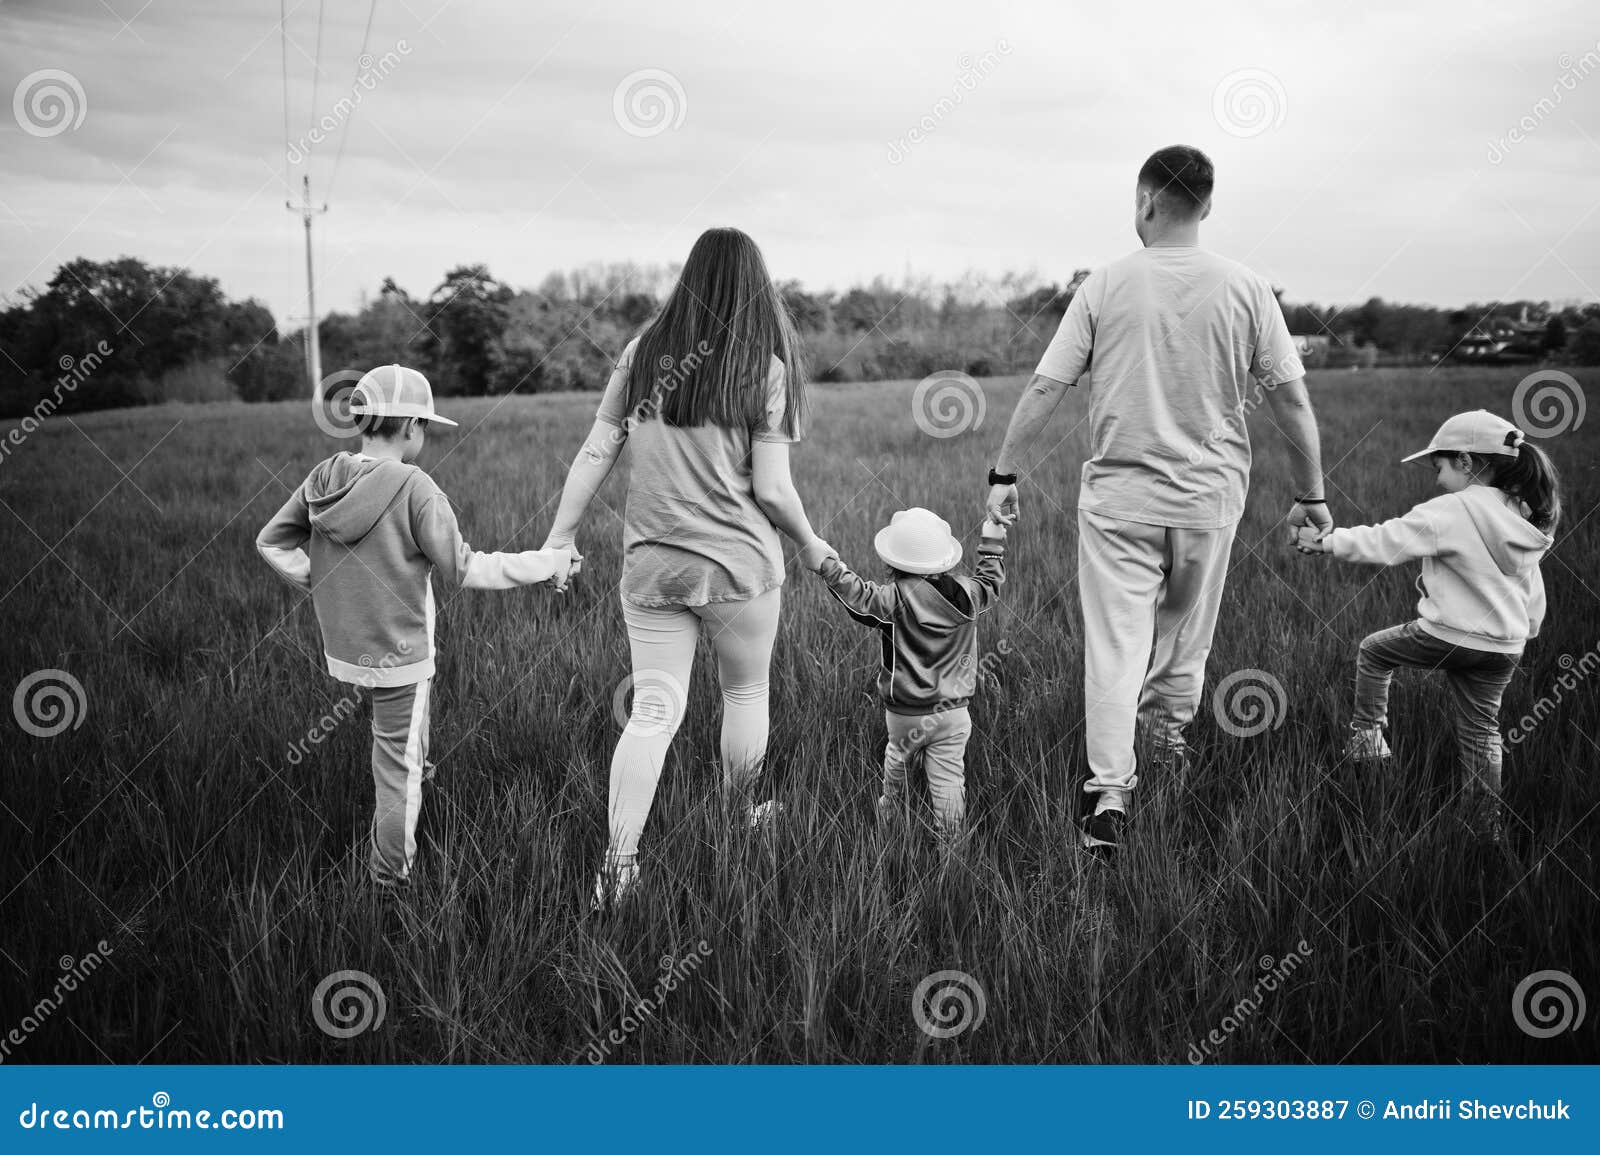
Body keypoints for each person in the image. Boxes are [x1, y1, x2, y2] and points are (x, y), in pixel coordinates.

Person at [984, 144, 1329, 852]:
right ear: (1205, 206)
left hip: (1119, 504)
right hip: (1209, 504)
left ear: (1147, 202)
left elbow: (1047, 386)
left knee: (1116, 646)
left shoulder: (1106, 284)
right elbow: (1292, 400)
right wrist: (1312, 496)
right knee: (1183, 637)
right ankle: (1167, 748)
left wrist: (1004, 474)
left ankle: (1108, 794)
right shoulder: (1248, 287)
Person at [539, 227, 827, 907]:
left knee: (653, 713)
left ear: (690, 280)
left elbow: (594, 452)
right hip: (739, 569)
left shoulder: (643, 354)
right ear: (754, 288)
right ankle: (738, 814)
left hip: (653, 569)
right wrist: (813, 544)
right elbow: (774, 490)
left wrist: (561, 537)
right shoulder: (764, 368)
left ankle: (618, 866)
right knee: (745, 694)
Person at [256, 365, 573, 888]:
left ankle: (416, 792)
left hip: (347, 647)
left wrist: (327, 583)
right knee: (395, 771)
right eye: (424, 426)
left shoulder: (325, 476)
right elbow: (466, 568)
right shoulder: (415, 487)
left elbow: (272, 542)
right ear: (408, 427)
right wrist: (544, 563)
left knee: (402, 749)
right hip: (402, 655)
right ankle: (390, 879)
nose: (423, 435)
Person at [1295, 410, 1557, 841]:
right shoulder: (1520, 514)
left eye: (1441, 467)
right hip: (1506, 648)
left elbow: (1387, 540)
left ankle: (1367, 740)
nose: (1437, 479)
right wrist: (1524, 631)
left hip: (1450, 636)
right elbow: (1532, 586)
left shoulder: (1452, 509)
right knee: (1481, 732)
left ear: (1468, 463)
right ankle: (1485, 827)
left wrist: (1327, 542)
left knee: (1375, 651)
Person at [803, 509, 1008, 838]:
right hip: (954, 714)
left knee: (897, 764)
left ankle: (890, 826)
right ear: (945, 560)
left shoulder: (893, 599)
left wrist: (827, 565)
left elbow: (857, 595)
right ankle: (953, 852)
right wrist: (992, 536)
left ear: (892, 563)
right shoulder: (968, 594)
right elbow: (990, 582)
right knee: (949, 783)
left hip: (905, 715)